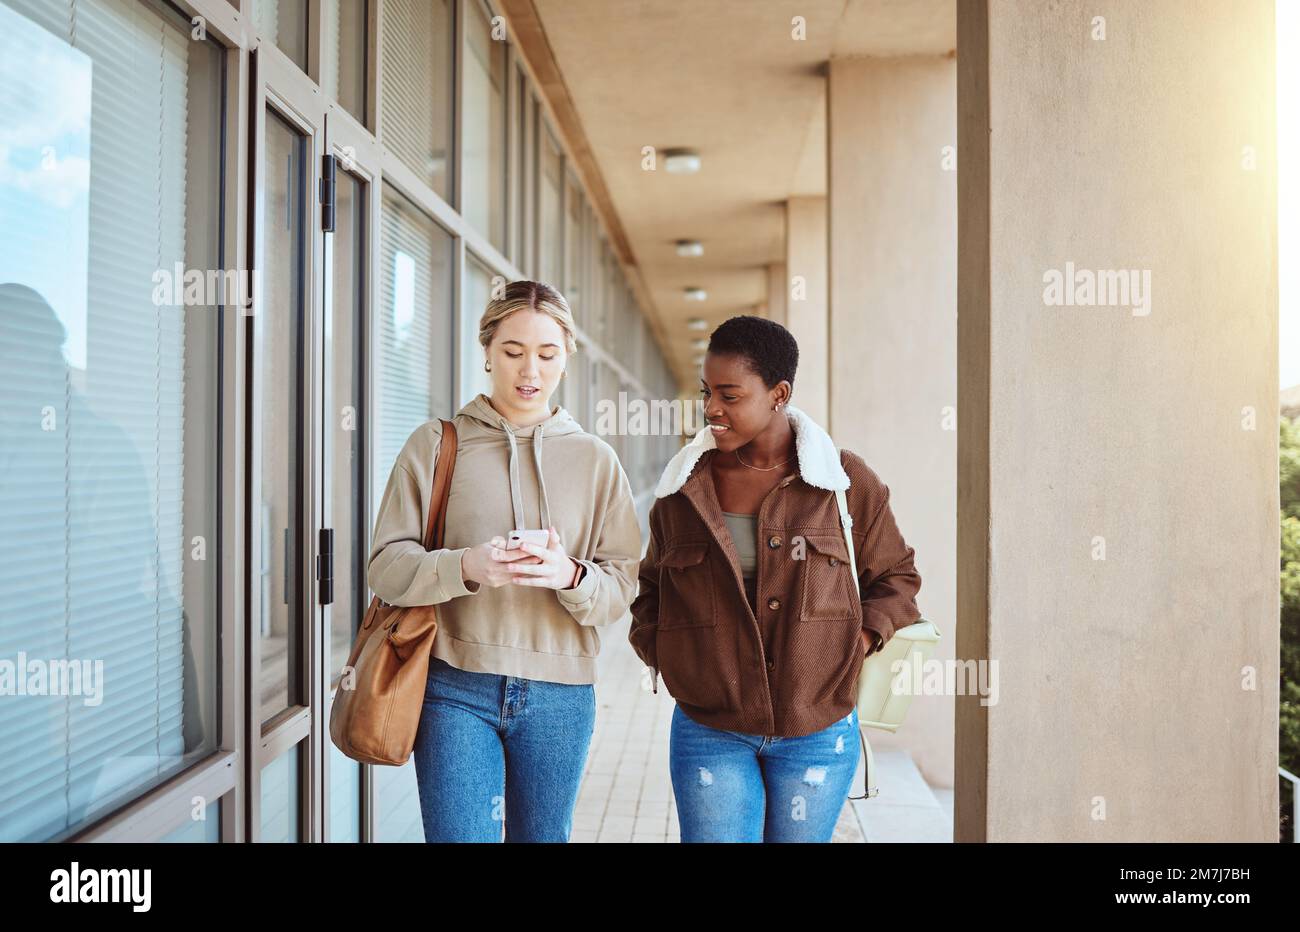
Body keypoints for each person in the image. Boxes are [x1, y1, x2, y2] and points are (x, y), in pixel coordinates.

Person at [628, 314, 923, 842]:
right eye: (706, 392)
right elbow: (651, 590)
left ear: (779, 393)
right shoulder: (683, 489)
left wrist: (853, 644)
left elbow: (898, 579)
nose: (711, 409)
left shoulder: (845, 483)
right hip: (710, 729)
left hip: (818, 729)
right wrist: (668, 654)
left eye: (729, 395)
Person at [366, 280, 642, 842]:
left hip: (561, 693)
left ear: (567, 357)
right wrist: (465, 566)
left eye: (547, 354)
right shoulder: (436, 445)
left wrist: (571, 575)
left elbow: (623, 585)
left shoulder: (596, 461)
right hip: (453, 686)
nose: (529, 371)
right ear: (487, 349)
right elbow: (385, 565)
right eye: (513, 352)